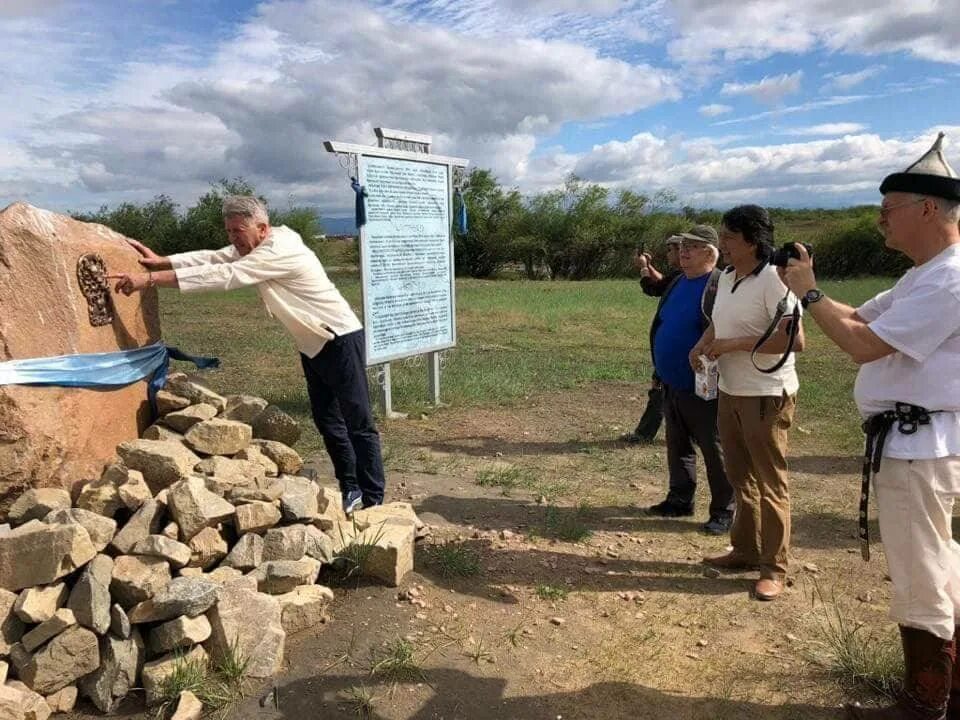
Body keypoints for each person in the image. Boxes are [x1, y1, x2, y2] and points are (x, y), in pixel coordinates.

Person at [782, 133, 960, 720]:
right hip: (911, 445)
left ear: (928, 209)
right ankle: (944, 688)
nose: (881, 221)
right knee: (935, 558)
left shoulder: (949, 279)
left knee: (920, 568)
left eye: (890, 210)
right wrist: (816, 291)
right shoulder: (923, 276)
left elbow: (860, 343)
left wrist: (808, 293)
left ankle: (925, 700)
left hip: (919, 447)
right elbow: (856, 316)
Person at [108, 195, 386, 516]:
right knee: (328, 421)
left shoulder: (280, 250)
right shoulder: (255, 244)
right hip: (311, 342)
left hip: (339, 338)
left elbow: (228, 275)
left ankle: (373, 498)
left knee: (358, 421)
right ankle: (350, 488)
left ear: (262, 228)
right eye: (229, 231)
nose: (232, 239)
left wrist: (151, 279)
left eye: (237, 231)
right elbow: (216, 258)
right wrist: (162, 261)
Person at [692, 205, 805, 602]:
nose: (720, 243)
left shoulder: (776, 280)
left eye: (728, 237)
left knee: (771, 483)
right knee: (740, 476)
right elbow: (719, 323)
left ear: (753, 242)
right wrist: (704, 344)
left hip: (767, 395)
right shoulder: (727, 277)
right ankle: (744, 550)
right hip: (731, 390)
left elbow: (796, 340)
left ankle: (773, 568)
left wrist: (733, 345)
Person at [642, 225, 734, 534]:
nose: (683, 251)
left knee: (714, 447)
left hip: (705, 384)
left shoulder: (721, 285)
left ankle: (724, 510)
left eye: (692, 246)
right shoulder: (678, 281)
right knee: (677, 444)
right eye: (683, 245)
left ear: (710, 252)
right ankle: (680, 499)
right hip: (672, 381)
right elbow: (665, 323)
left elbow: (726, 330)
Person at [620, 235, 683, 444]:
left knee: (662, 388)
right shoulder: (683, 276)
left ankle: (645, 433)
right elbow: (664, 282)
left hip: (677, 347)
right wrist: (648, 266)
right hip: (674, 346)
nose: (669, 254)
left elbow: (653, 287)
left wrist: (644, 269)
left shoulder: (686, 278)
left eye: (670, 250)